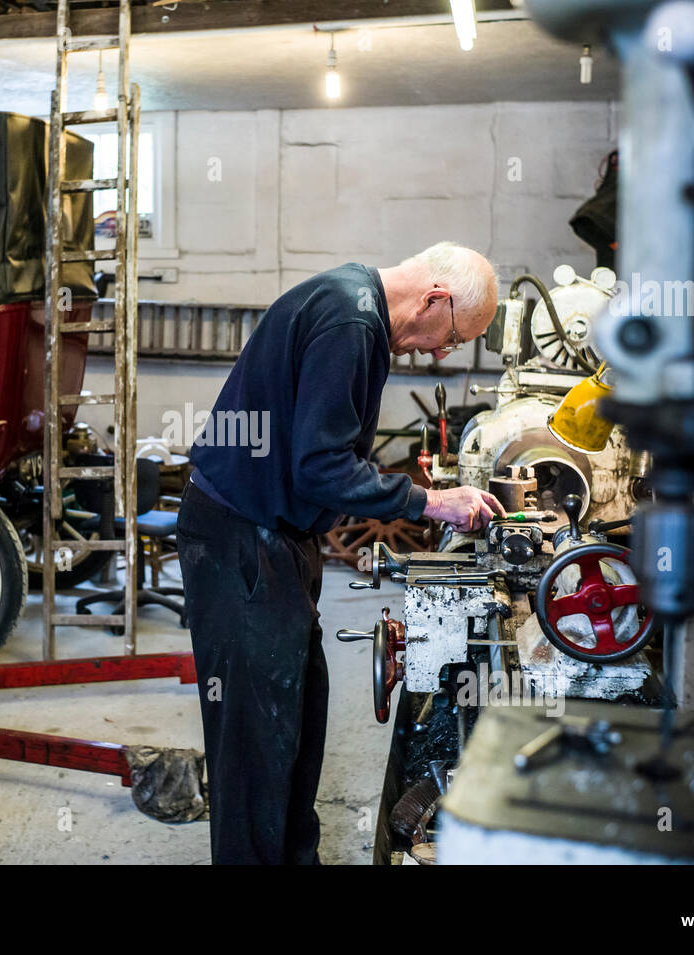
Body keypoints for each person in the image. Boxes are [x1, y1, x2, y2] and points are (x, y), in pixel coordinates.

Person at [177, 241, 505, 864]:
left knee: (296, 724)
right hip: (240, 539)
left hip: (276, 537)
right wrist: (429, 501)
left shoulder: (357, 306)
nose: (442, 353)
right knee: (255, 746)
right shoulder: (350, 321)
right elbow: (321, 467)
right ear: (434, 300)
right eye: (453, 337)